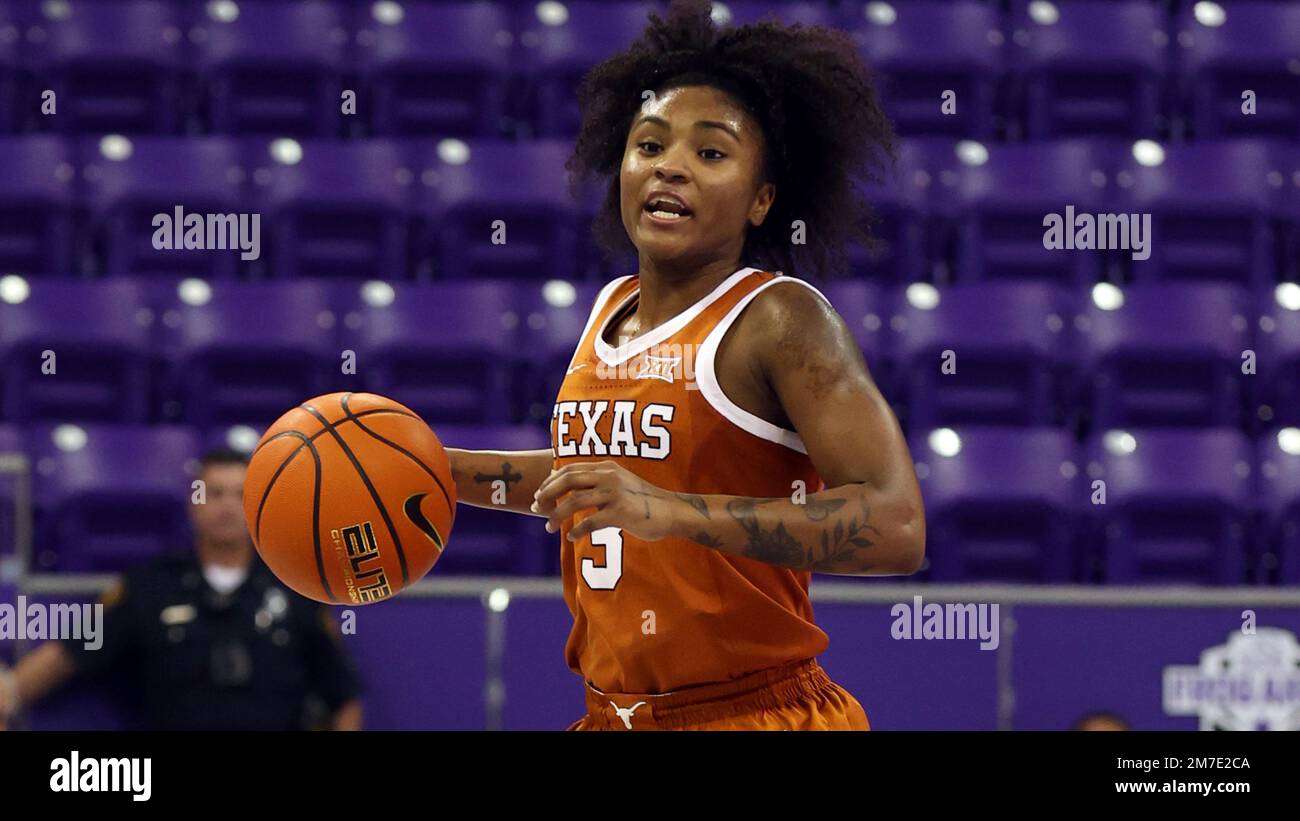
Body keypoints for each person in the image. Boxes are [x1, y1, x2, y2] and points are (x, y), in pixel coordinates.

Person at [446, 0, 923, 730]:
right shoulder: (610, 307)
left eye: (711, 152)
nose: (670, 165)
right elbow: (597, 477)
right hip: (611, 715)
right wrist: (433, 469)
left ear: (762, 200)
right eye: (649, 144)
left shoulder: (780, 317)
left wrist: (665, 512)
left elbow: (894, 524)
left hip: (756, 713)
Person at [0, 449, 362, 731]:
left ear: (258, 507)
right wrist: (11, 692)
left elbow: (343, 696)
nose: (226, 506)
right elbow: (70, 652)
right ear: (194, 504)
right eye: (214, 493)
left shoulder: (295, 589)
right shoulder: (150, 586)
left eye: (240, 495)